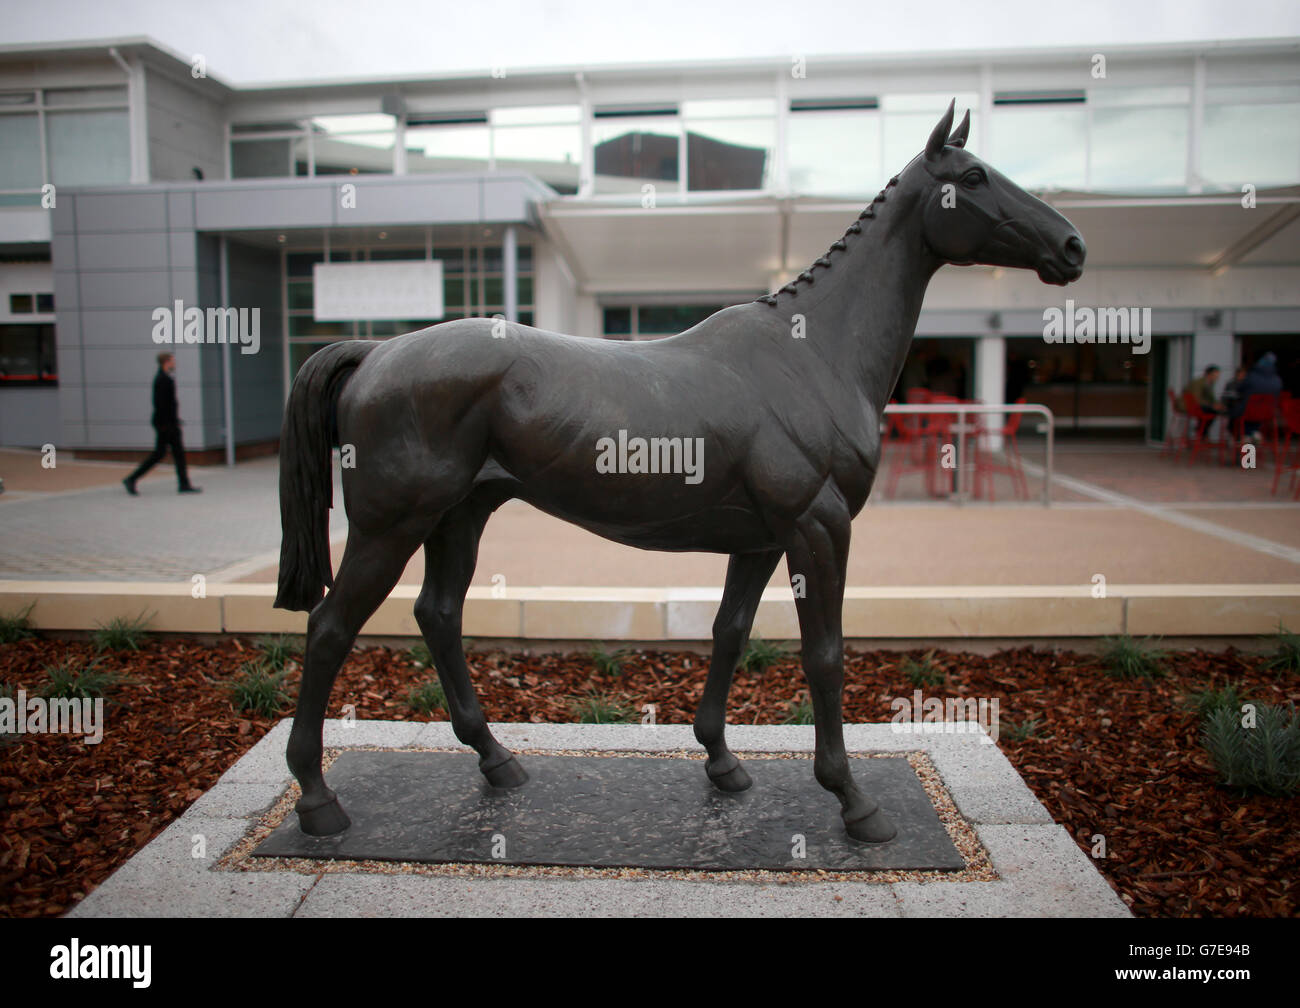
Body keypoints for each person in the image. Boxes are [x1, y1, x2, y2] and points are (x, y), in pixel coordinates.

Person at [123, 352, 201, 495]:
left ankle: (183, 484)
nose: (175, 363)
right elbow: (160, 404)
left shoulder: (165, 378)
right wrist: (167, 424)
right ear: (166, 362)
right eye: (173, 361)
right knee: (162, 454)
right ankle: (131, 479)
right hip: (166, 425)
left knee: (175, 454)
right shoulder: (162, 380)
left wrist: (175, 420)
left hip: (169, 423)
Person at [1230, 352, 1283, 439]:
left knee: (1235, 412)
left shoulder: (1252, 376)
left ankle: (1244, 435)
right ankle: (1254, 433)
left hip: (1247, 412)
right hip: (1267, 413)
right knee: (1256, 412)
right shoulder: (1277, 380)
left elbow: (1239, 389)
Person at [1182, 364, 1223, 439]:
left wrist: (1216, 404)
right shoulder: (1200, 383)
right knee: (1213, 411)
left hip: (1198, 406)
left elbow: (1211, 398)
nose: (1217, 378)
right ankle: (1202, 432)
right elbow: (1196, 398)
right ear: (1209, 374)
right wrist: (1212, 405)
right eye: (1215, 375)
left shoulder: (1209, 384)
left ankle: (1201, 430)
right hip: (1193, 407)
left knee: (1214, 410)